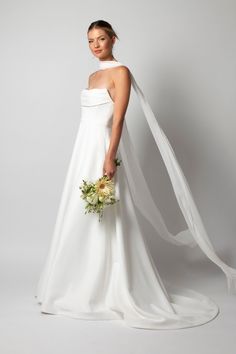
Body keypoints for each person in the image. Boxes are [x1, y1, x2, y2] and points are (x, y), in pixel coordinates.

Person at [35, 20, 236, 330]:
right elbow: (88, 120)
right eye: (90, 40)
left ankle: (112, 286)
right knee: (81, 213)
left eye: (101, 38)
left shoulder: (121, 72)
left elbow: (117, 119)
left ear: (114, 39)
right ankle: (74, 284)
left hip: (103, 149)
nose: (96, 45)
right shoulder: (92, 76)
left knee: (112, 214)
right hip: (83, 150)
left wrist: (110, 156)